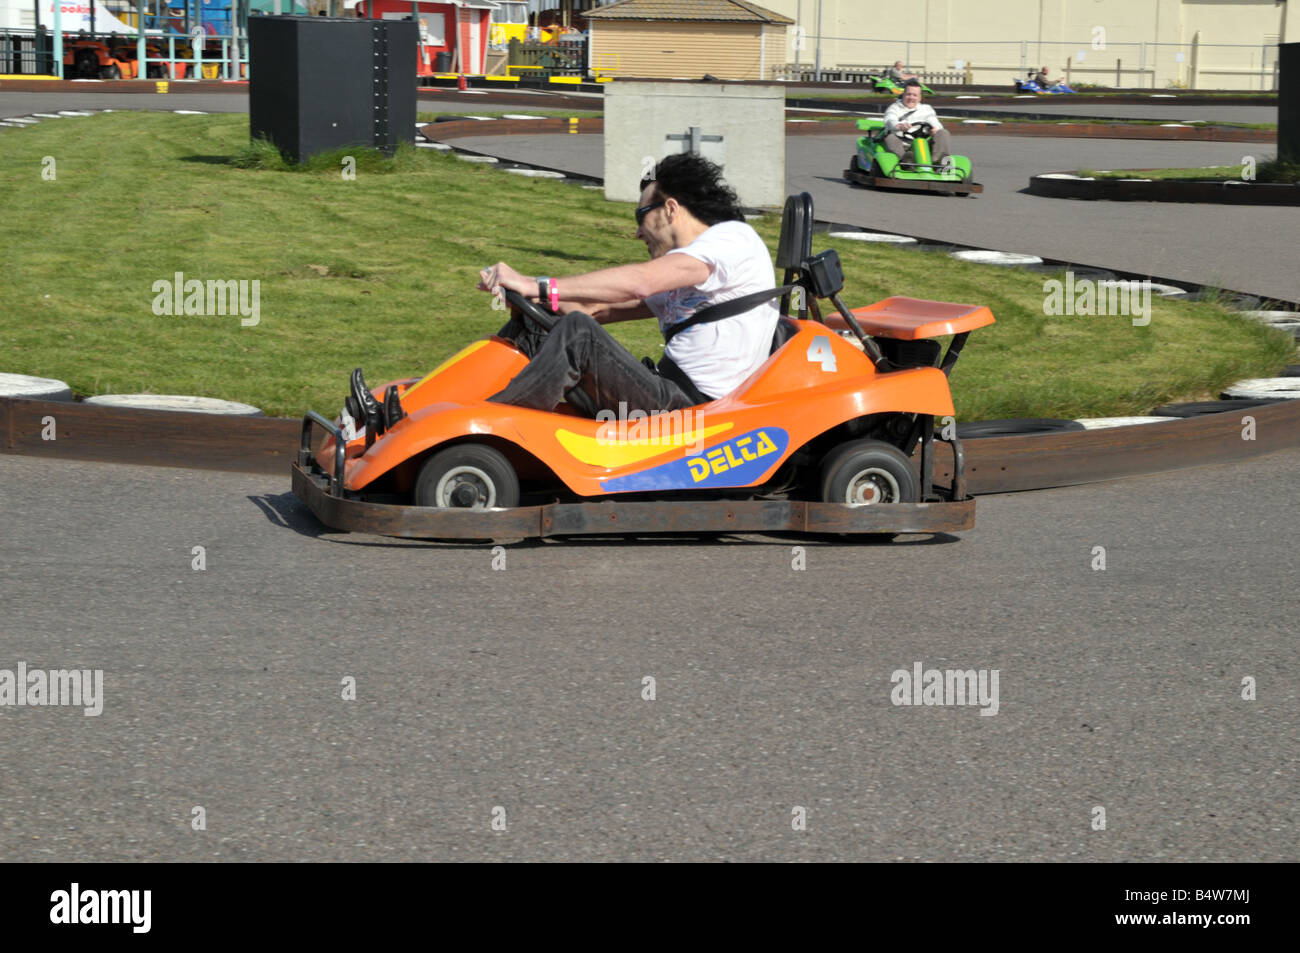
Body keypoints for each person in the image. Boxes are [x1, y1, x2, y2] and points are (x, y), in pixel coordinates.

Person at [476, 153, 779, 416]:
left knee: (578, 334)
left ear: (670, 209)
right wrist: (531, 295)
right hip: (666, 395)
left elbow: (640, 283)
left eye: (640, 216)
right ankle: (467, 401)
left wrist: (534, 285)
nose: (637, 233)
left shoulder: (732, 239)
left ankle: (492, 427)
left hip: (694, 410)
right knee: (545, 322)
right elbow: (592, 308)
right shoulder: (689, 271)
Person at [882, 79, 953, 168]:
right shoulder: (894, 108)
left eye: (915, 95)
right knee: (890, 138)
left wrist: (935, 129)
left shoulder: (926, 109)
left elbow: (933, 121)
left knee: (943, 133)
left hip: (924, 146)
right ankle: (906, 161)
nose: (911, 97)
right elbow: (890, 120)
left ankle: (940, 162)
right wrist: (900, 126)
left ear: (919, 98)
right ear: (903, 94)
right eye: (908, 94)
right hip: (904, 145)